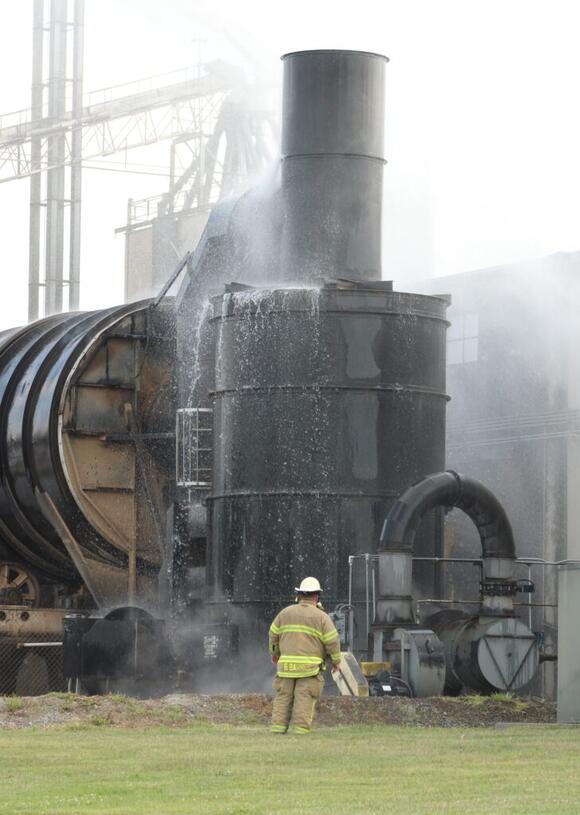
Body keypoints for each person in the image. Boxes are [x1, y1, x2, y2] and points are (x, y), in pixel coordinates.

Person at [268, 576, 342, 734]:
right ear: (317, 596)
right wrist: (336, 661)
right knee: (304, 697)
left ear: (300, 595)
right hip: (309, 669)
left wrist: (275, 653)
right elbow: (332, 641)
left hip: (286, 667)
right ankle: (300, 732)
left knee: (283, 697)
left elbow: (273, 635)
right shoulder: (322, 617)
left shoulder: (284, 613)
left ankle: (277, 729)